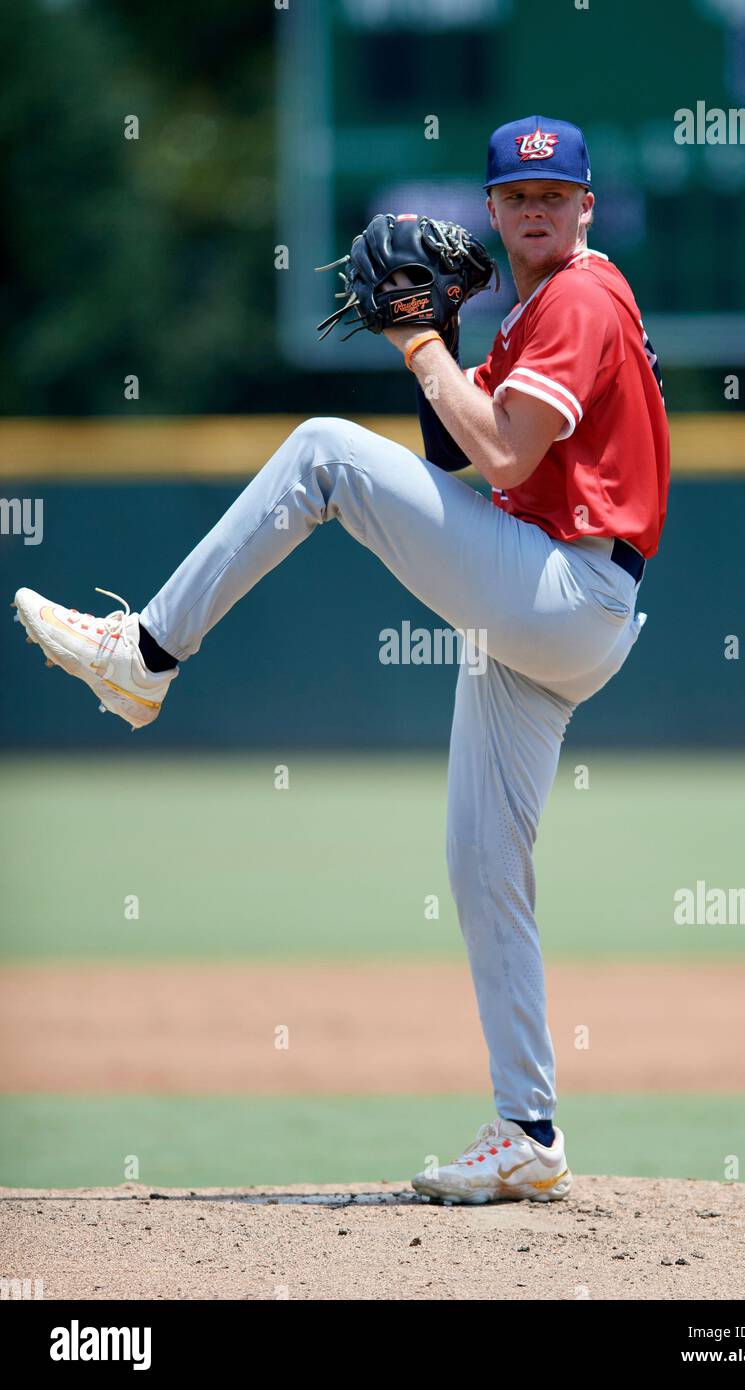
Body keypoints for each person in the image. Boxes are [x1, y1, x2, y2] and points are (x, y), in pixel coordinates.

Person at [14, 115, 669, 1205]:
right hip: (558, 609)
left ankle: (146, 651)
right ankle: (527, 1127)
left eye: (557, 194)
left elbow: (503, 450)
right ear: (494, 207)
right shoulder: (536, 308)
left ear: (587, 205)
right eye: (516, 195)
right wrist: (440, 337)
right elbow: (455, 446)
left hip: (564, 587)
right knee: (479, 863)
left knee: (319, 450)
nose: (537, 209)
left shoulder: (581, 295)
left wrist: (415, 339)